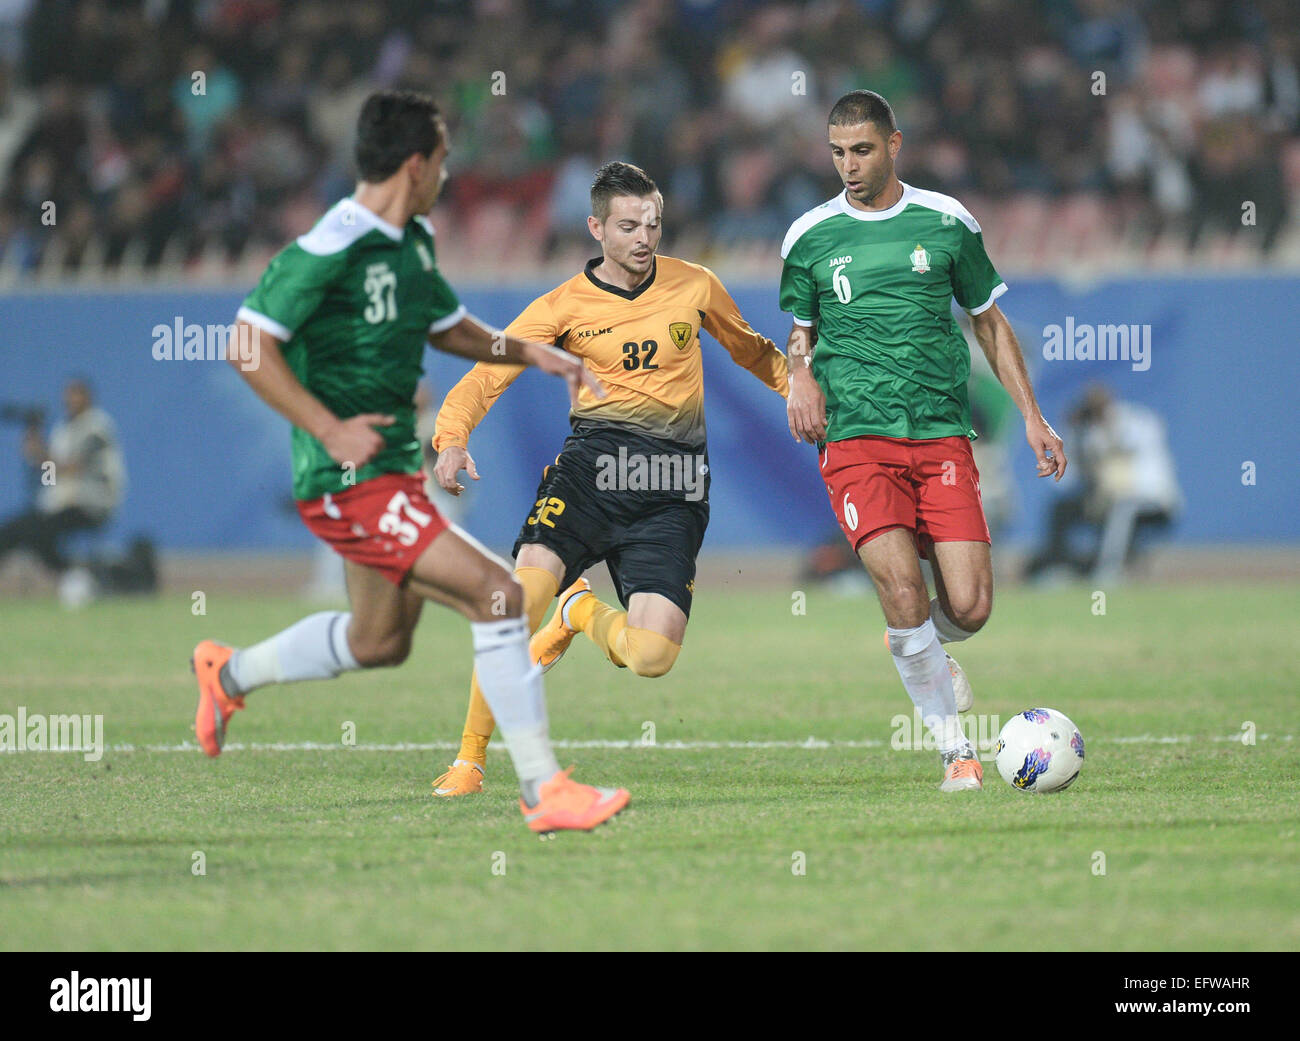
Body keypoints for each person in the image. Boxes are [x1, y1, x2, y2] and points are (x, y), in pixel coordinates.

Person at [191, 90, 626, 834]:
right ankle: (543, 788)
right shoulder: (335, 242)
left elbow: (447, 326)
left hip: (386, 472)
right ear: (416, 162)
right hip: (347, 478)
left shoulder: (410, 242)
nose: (450, 174)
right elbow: (245, 344)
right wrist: (329, 429)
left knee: (379, 641)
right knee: (497, 593)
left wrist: (530, 352)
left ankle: (226, 672)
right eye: (445, 159)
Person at [428, 161, 790, 796]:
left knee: (652, 658)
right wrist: (451, 438)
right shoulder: (562, 306)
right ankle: (469, 761)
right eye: (628, 226)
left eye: (653, 223)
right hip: (588, 480)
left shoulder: (695, 285)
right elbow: (490, 372)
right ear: (596, 227)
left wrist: (801, 387)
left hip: (672, 492)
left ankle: (579, 611)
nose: (644, 237)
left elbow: (751, 350)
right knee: (514, 606)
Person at [782, 90, 1068, 792]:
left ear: (895, 144)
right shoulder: (808, 235)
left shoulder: (946, 222)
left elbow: (989, 323)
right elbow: (801, 331)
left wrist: (1032, 414)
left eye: (863, 150)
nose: (849, 165)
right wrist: (799, 377)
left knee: (969, 606)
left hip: (941, 434)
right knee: (902, 586)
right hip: (854, 437)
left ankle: (918, 642)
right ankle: (956, 752)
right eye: (838, 152)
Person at [1023, 384, 1180, 582]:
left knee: (1123, 510)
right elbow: (1065, 480)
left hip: (1148, 499)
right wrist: (1073, 434)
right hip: (1104, 500)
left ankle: (1109, 572)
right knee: (1062, 509)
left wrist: (1107, 429)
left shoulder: (1138, 421)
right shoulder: (1086, 432)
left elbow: (1127, 455)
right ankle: (1057, 567)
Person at [0, 378, 125, 579]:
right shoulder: (63, 430)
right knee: (13, 529)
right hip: (60, 504)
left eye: (76, 395)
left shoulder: (98, 426)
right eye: (68, 395)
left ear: (88, 397)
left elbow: (74, 467)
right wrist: (37, 454)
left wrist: (42, 454)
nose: (71, 400)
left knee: (36, 530)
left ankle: (73, 576)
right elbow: (51, 475)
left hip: (92, 504)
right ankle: (71, 575)